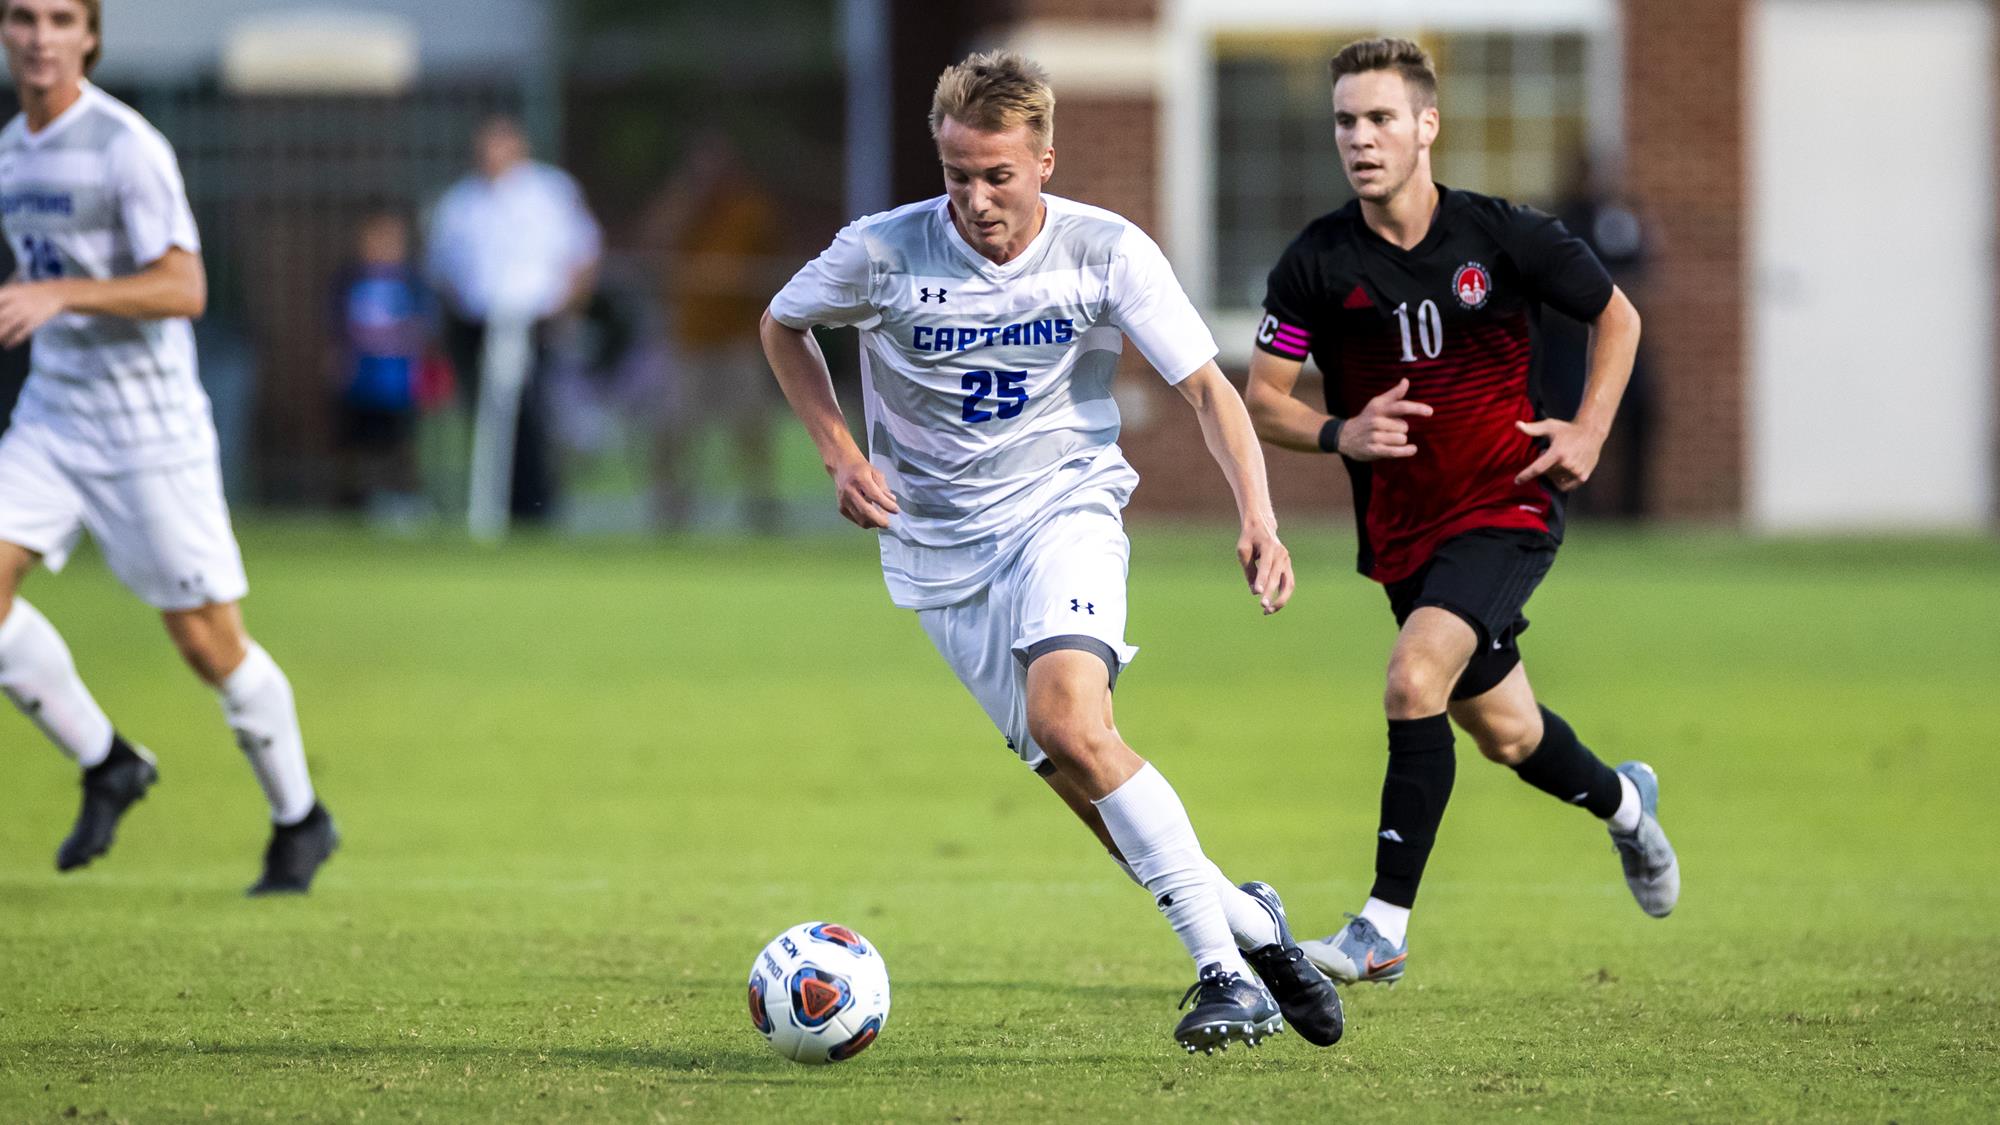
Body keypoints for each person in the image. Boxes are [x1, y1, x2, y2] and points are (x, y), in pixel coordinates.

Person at [761, 51, 1342, 1054]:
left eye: (998, 175)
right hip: (937, 547)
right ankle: (1250, 925)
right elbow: (783, 325)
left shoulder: (1105, 249)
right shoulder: (883, 251)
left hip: (1063, 511)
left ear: (1044, 160)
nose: (977, 200)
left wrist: (1258, 516)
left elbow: (1208, 389)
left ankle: (1221, 978)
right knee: (1087, 789)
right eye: (956, 175)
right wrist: (839, 455)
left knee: (1071, 722)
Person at [1243, 37, 1677, 986]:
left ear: (1426, 126)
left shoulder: (1502, 236)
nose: (1361, 138)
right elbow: (1264, 397)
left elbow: (1619, 316)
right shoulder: (1318, 261)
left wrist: (1590, 433)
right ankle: (1627, 807)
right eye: (1346, 122)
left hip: (1505, 508)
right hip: (1404, 538)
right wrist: (1339, 432)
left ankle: (1381, 926)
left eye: (1381, 118)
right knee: (1507, 732)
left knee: (1411, 681)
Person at [0, 0, 336, 893]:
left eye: (59, 18)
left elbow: (185, 285)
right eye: (21, 16)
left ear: (90, 37)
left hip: (149, 431)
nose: (39, 35)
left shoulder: (125, 145)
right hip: (54, 415)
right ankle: (109, 760)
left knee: (206, 642)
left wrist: (62, 294)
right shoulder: (12, 150)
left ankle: (301, 818)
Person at [426, 114, 601, 527]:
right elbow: (444, 269)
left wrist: (568, 310)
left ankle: (535, 506)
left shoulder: (550, 191)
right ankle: (491, 504)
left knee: (534, 415)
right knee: (485, 413)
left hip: (537, 323)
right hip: (479, 324)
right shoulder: (461, 202)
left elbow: (584, 252)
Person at [643, 134, 784, 531]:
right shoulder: (681, 206)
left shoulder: (749, 208)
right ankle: (671, 506)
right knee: (675, 425)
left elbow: (772, 258)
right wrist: (687, 199)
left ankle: (761, 503)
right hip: (689, 338)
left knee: (751, 423)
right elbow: (654, 243)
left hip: (739, 337)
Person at [330, 207, 429, 521]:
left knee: (399, 442)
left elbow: (424, 325)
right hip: (361, 376)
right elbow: (336, 326)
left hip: (398, 379)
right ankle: (354, 503)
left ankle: (402, 501)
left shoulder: (411, 281)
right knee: (357, 443)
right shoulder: (349, 279)